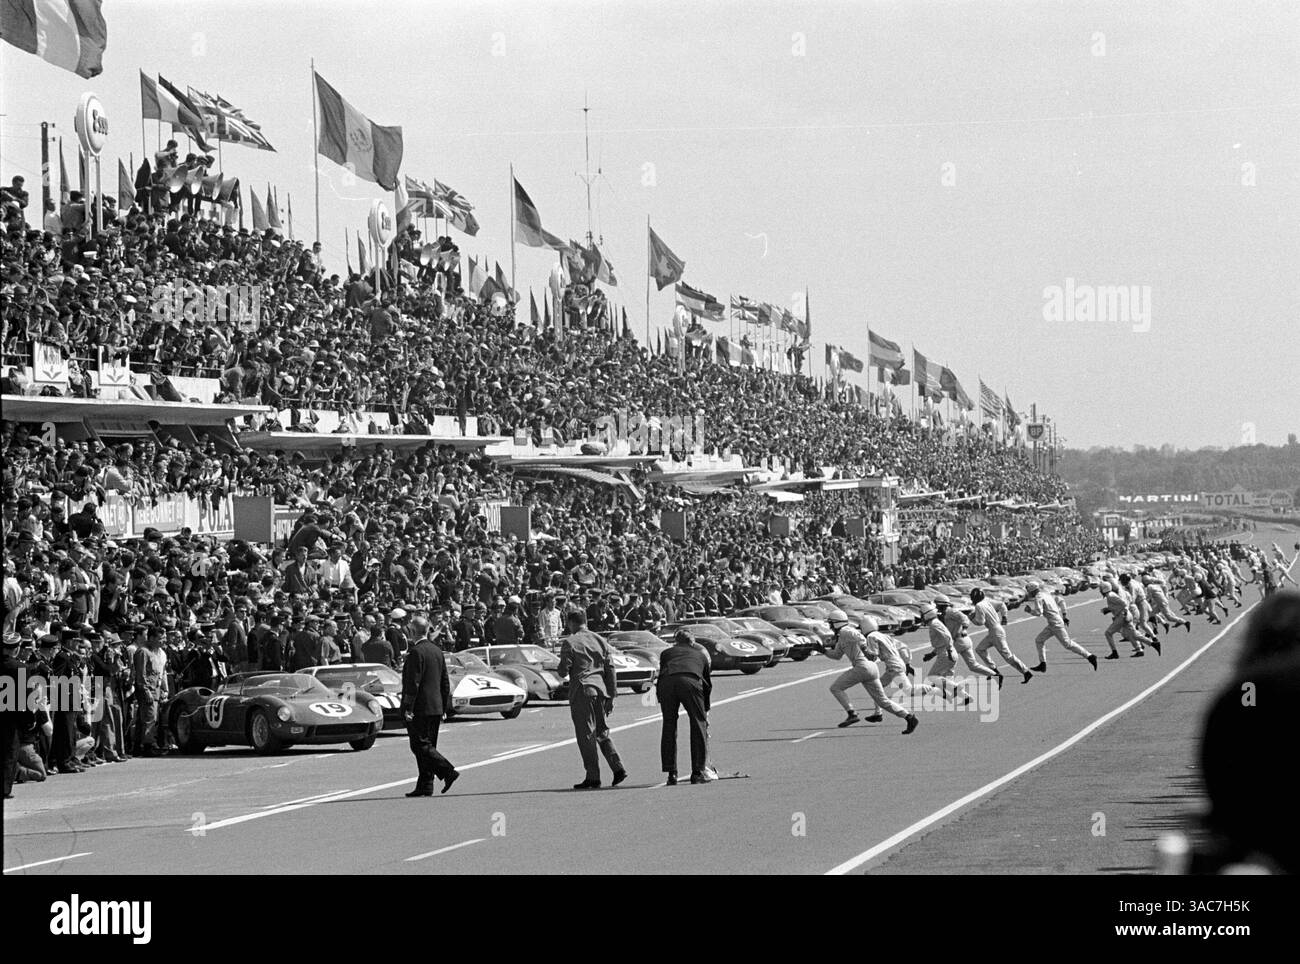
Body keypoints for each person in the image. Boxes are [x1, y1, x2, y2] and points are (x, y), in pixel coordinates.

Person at [556, 610, 626, 789]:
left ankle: (593, 776)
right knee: (602, 732)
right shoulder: (599, 640)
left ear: (571, 623)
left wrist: (561, 668)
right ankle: (617, 767)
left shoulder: (570, 642)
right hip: (600, 690)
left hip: (582, 691)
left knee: (586, 734)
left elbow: (564, 670)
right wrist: (612, 695)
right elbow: (610, 669)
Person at [826, 615, 919, 734]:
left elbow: (859, 636)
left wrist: (864, 647)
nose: (830, 626)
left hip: (862, 667)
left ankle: (852, 713)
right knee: (882, 701)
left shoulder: (845, 630)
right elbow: (836, 655)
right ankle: (909, 717)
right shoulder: (842, 637)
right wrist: (823, 650)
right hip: (870, 668)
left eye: (831, 623)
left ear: (836, 623)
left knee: (836, 688)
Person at [400, 616, 459, 797]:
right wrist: (443, 707)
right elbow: (444, 682)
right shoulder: (436, 650)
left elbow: (413, 683)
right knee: (428, 746)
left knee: (420, 745)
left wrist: (408, 707)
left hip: (420, 707)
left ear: (413, 632)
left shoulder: (416, 652)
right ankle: (425, 784)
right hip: (434, 706)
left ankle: (447, 771)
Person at [657, 629, 713, 784]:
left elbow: (662, 673)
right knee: (697, 725)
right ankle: (697, 772)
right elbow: (707, 684)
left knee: (669, 726)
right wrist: (705, 710)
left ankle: (671, 774)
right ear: (692, 642)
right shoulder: (700, 655)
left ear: (676, 641)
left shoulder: (666, 653)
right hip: (690, 682)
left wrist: (659, 697)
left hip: (667, 685)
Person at [1024, 581, 1097, 673]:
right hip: (1053, 623)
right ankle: (1043, 664)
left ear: (1032, 590)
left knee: (1068, 644)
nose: (1029, 593)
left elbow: (1039, 613)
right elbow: (1061, 600)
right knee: (1039, 640)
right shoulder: (1046, 594)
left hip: (1055, 624)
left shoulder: (1038, 597)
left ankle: (1090, 656)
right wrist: (1064, 615)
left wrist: (1030, 611)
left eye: (1029, 591)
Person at [970, 587, 1033, 684]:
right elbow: (1002, 604)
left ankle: (1026, 672)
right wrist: (1004, 616)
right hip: (995, 630)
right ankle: (993, 670)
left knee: (1007, 656)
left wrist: (972, 618)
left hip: (995, 632)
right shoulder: (987, 602)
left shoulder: (979, 605)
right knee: (980, 649)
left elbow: (980, 622)